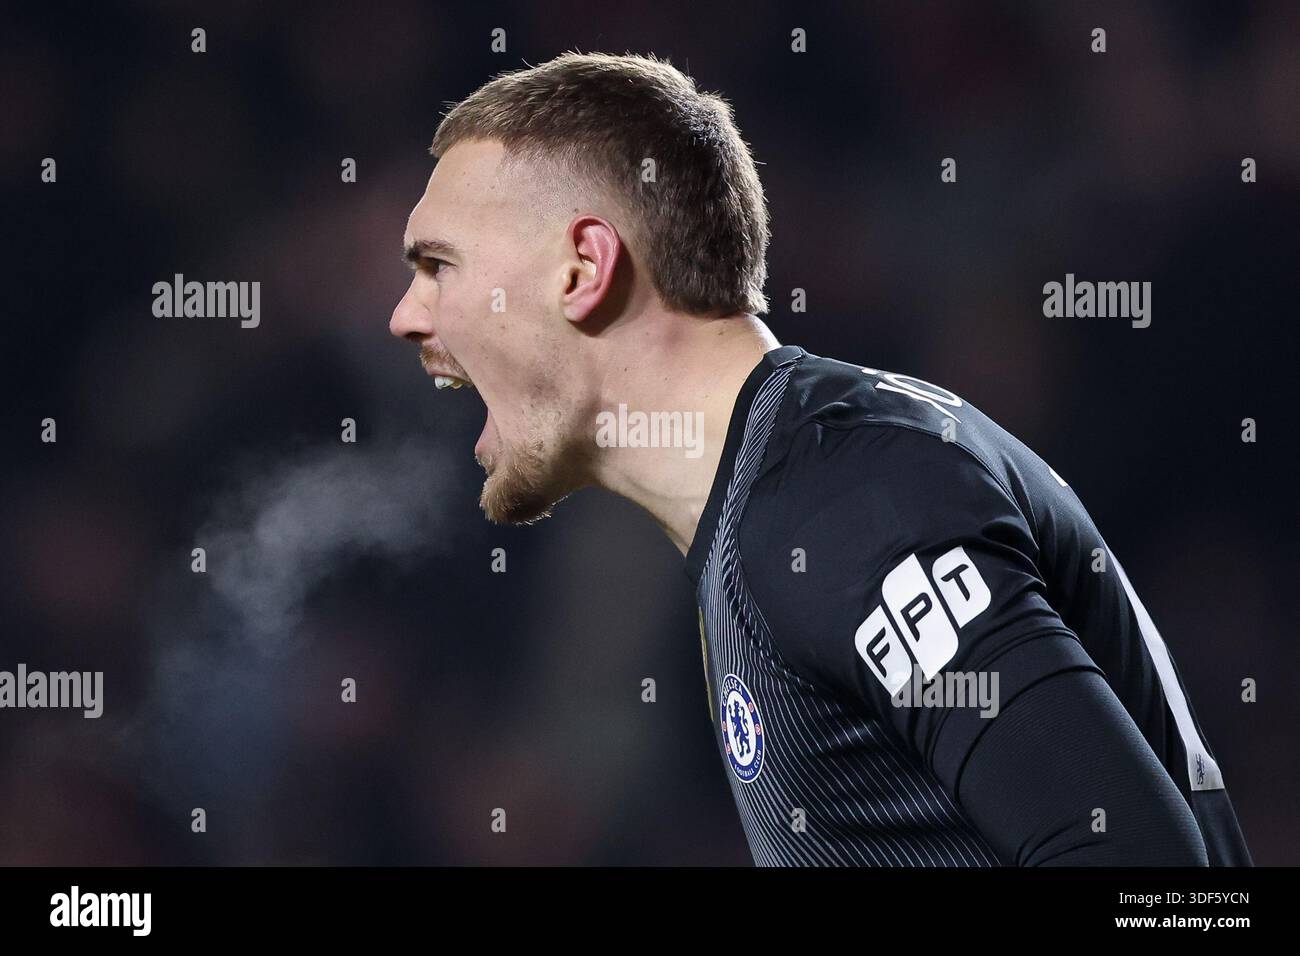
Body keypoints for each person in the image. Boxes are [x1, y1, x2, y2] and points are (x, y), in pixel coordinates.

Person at [389, 52, 1251, 866]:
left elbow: (1149, 878)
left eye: (438, 266)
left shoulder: (845, 503)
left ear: (583, 267)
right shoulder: (778, 500)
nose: (406, 316)